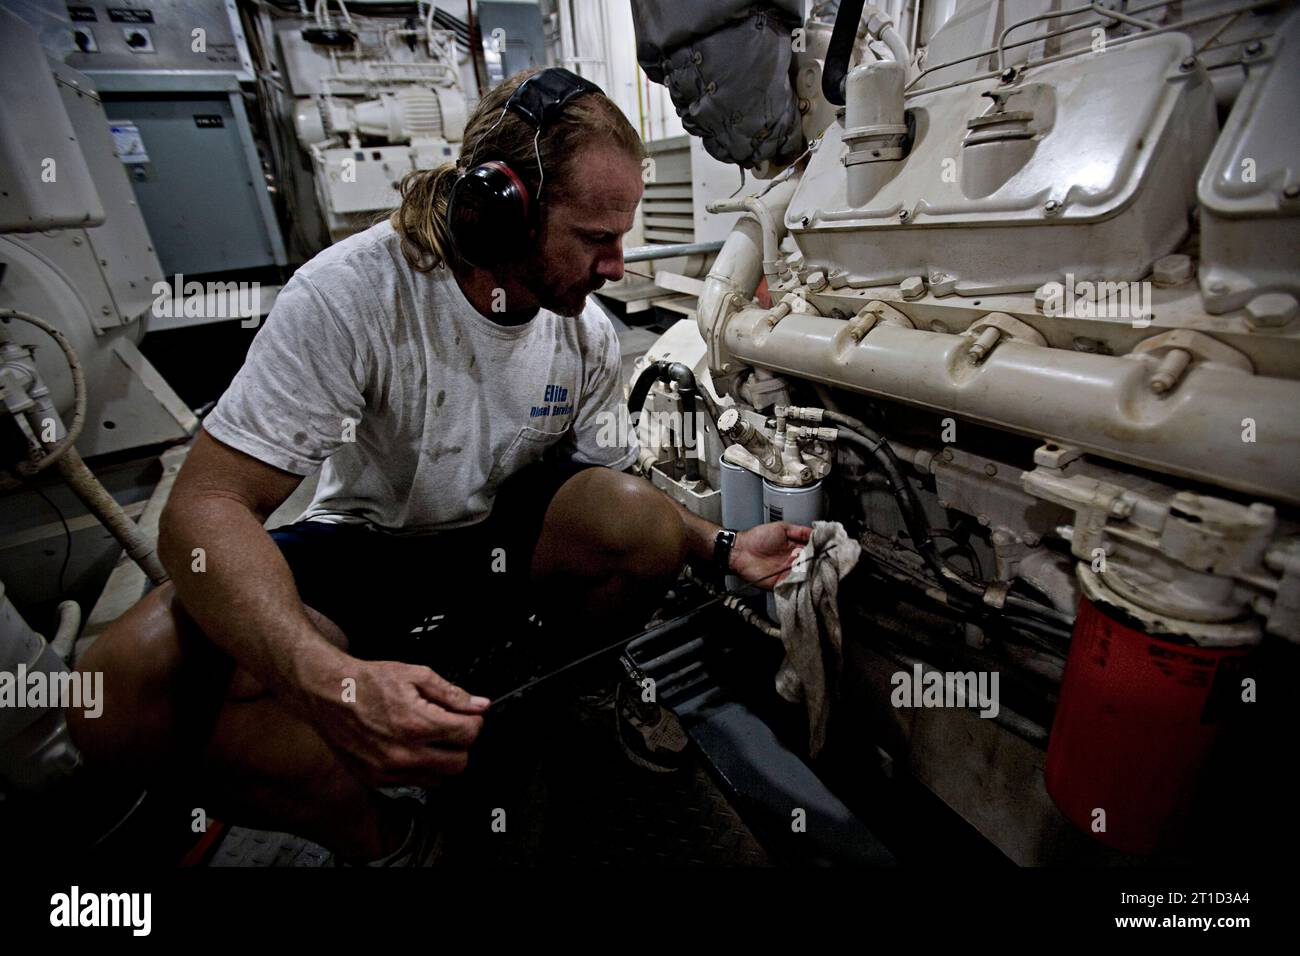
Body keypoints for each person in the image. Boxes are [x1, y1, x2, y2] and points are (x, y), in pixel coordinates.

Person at [66, 68, 809, 865]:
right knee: (116, 690)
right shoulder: (350, 296)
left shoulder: (586, 336)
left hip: (498, 554)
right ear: (503, 211)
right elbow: (203, 509)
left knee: (634, 518)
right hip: (367, 552)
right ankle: (393, 840)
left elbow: (619, 500)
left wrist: (725, 548)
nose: (617, 268)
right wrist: (324, 679)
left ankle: (554, 701)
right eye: (596, 239)